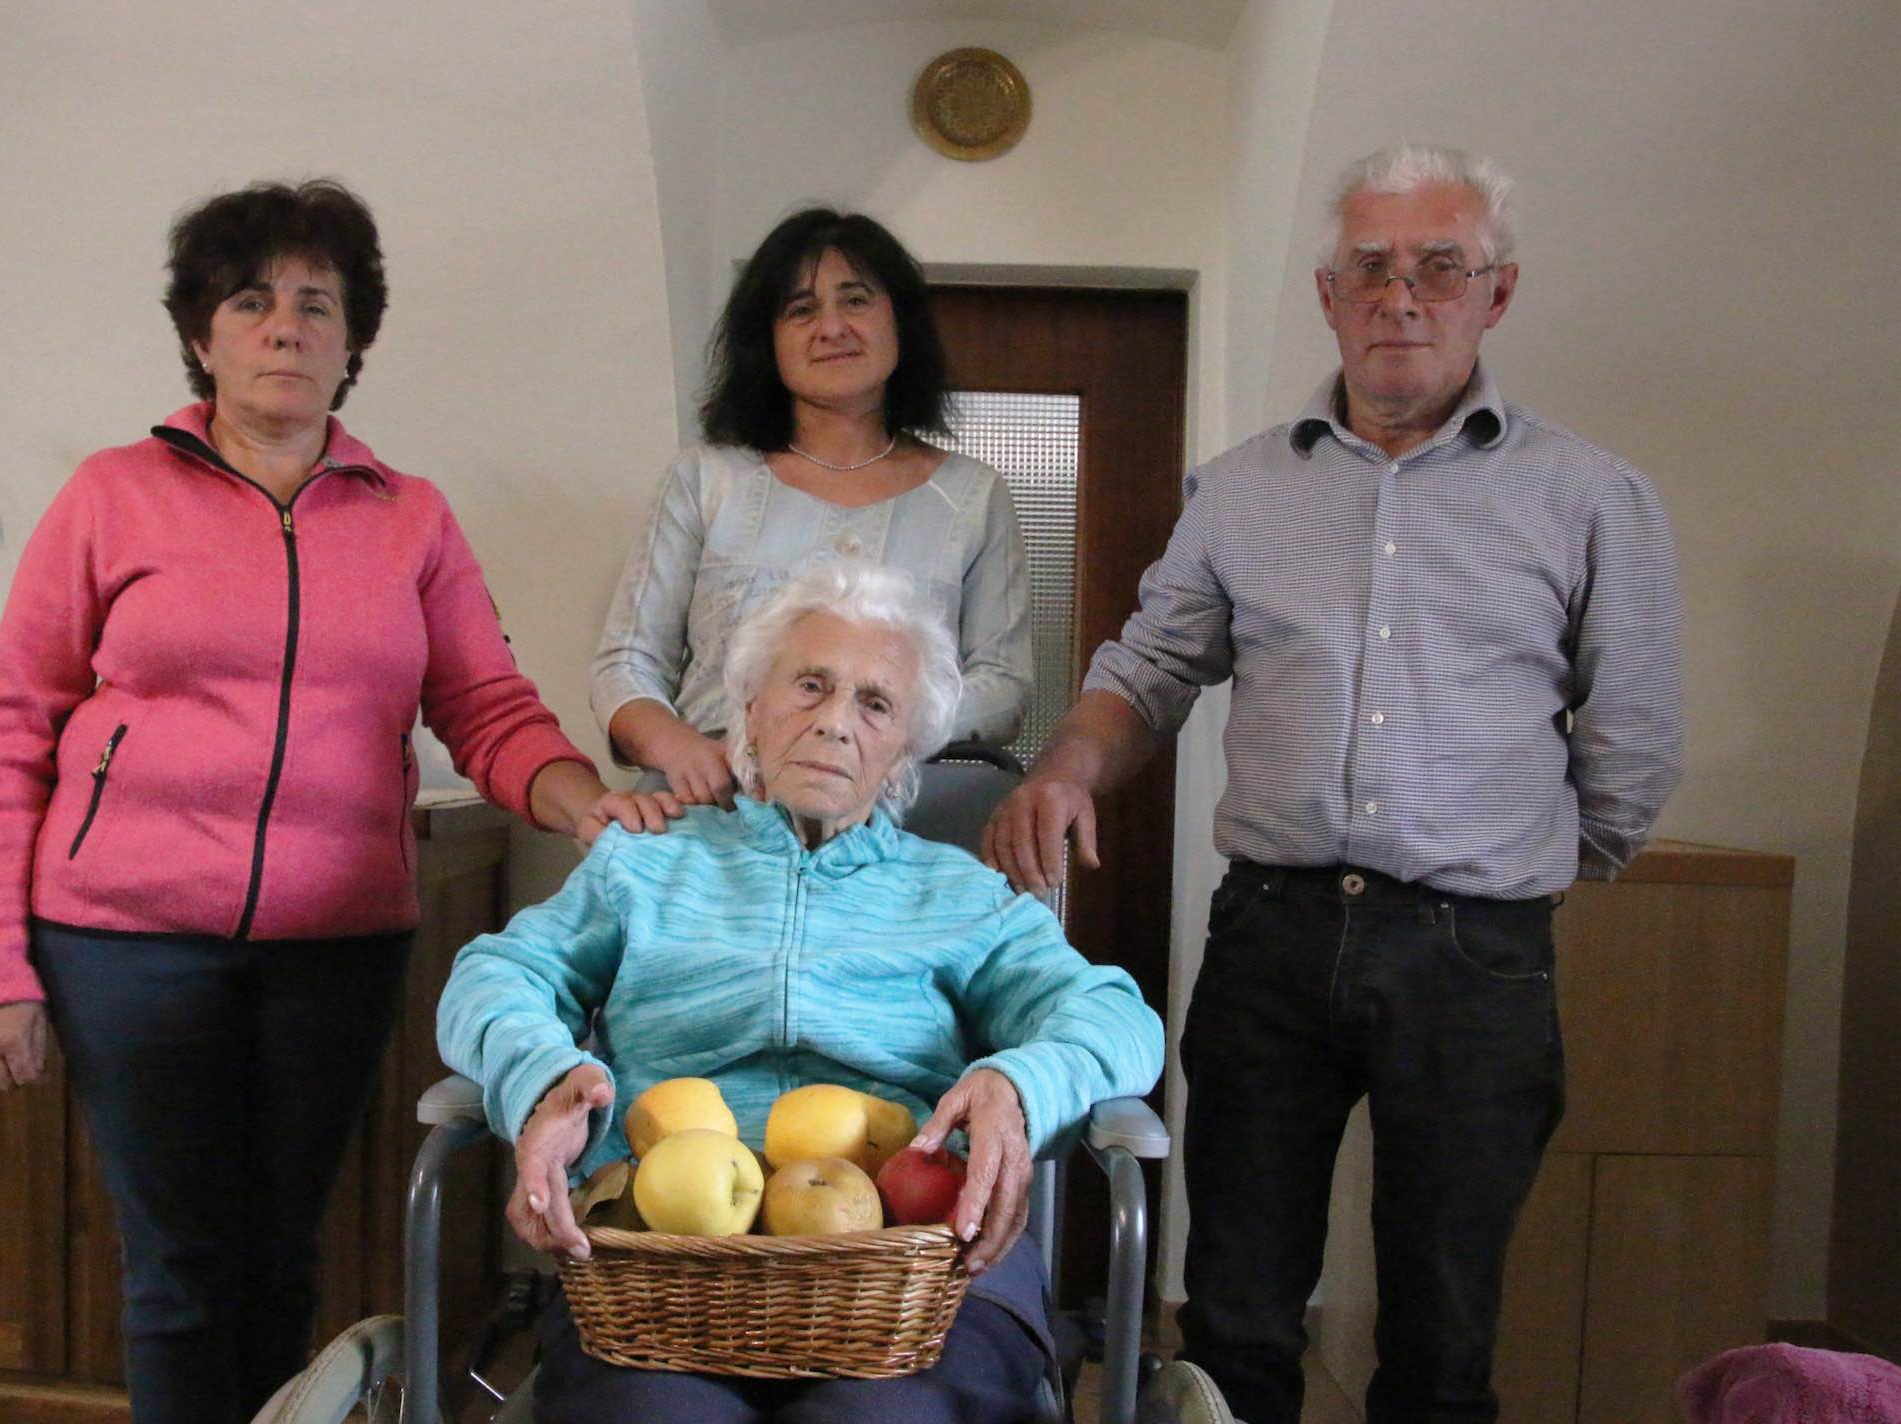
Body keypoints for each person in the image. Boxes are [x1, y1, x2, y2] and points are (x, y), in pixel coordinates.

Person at [0, 180, 675, 1424]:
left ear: (351, 346)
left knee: (281, 1253)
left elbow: (488, 706)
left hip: (332, 952)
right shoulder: (111, 495)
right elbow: (14, 724)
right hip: (124, 944)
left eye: (315, 304)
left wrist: (581, 801)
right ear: (202, 336)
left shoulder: (410, 517)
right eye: (251, 300)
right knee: (182, 1261)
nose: (284, 325)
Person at [983, 145, 1684, 1424]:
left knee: (1440, 1330)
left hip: (1477, 955)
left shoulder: (1590, 496)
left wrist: (1512, 864)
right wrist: (1067, 759)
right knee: (1235, 1315)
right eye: (1370, 267)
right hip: (1271, 935)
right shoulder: (1241, 489)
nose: (1400, 296)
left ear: (1496, 294)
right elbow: (1146, 668)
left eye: (1439, 267)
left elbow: (1629, 742)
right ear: (1327, 292)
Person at [443, 561, 1163, 1424]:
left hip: (917, 1269)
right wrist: (538, 1078)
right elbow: (495, 976)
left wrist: (1020, 1083)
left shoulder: (962, 895)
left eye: (876, 704)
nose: (834, 723)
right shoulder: (647, 864)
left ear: (907, 746)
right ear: (750, 707)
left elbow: (1116, 1017)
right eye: (810, 686)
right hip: (667, 1268)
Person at [590, 206, 1032, 806]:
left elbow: (1003, 687)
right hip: (714, 804)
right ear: (766, 342)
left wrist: (875, 731)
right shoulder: (704, 478)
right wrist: (677, 747)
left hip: (903, 816)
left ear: (900, 323)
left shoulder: (972, 497)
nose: (831, 327)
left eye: (855, 301)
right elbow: (626, 662)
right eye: (801, 310)